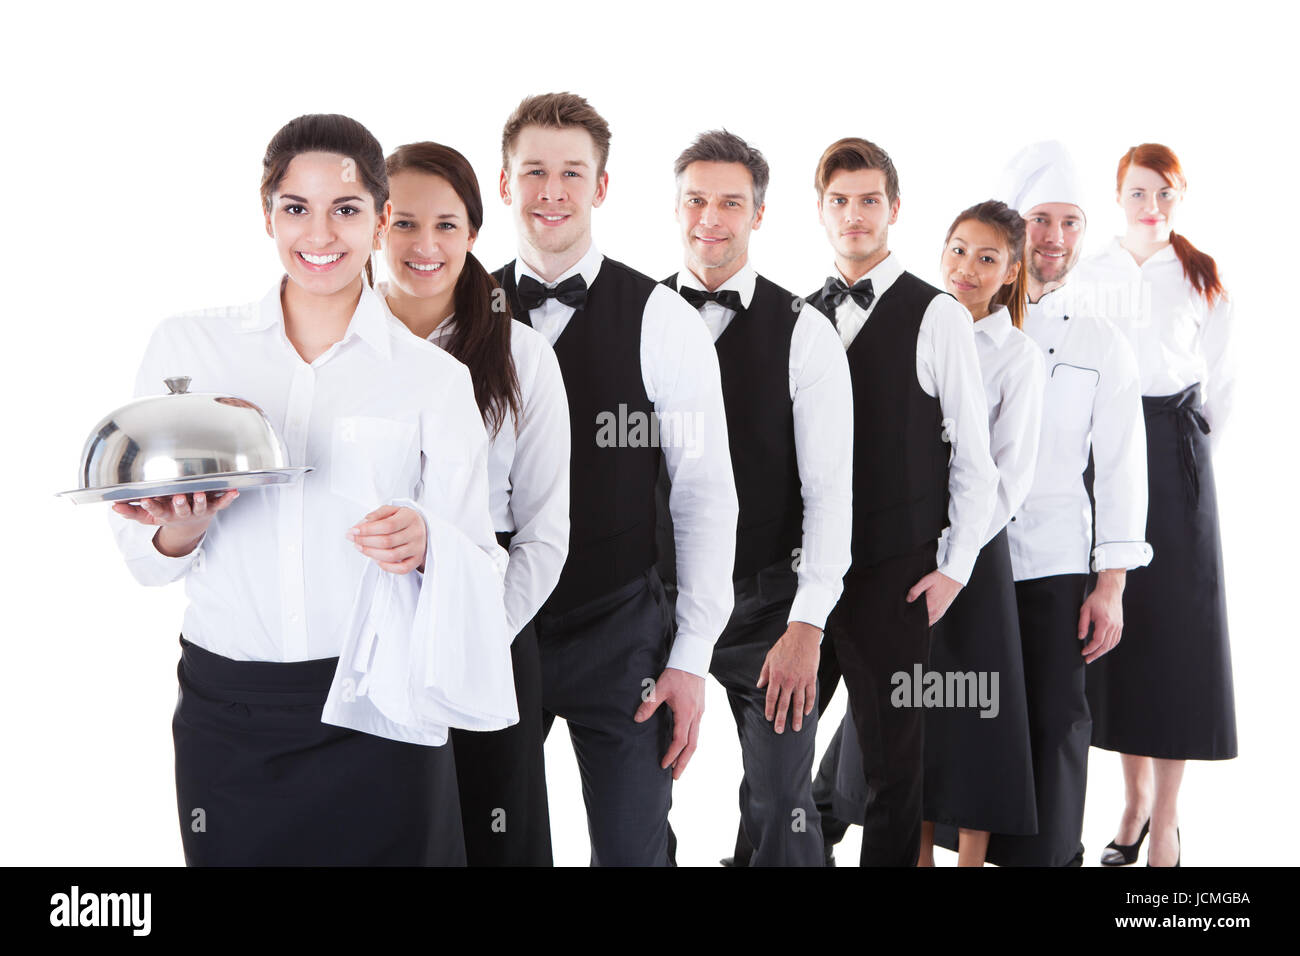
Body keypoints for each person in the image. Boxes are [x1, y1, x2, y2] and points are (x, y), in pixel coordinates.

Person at [110, 114, 515, 866]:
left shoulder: (433, 379)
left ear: (381, 220)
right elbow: (142, 555)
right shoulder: (188, 349)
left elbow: (482, 568)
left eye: (348, 209)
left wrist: (428, 547)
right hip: (227, 717)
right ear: (266, 214)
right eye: (296, 208)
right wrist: (183, 528)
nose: (319, 233)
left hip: (380, 708)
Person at [491, 92, 738, 866]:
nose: (552, 191)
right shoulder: (461, 314)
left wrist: (691, 655)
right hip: (497, 626)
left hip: (621, 630)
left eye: (572, 172)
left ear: (601, 187)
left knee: (634, 851)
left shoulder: (663, 317)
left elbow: (705, 494)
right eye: (534, 171)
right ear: (505, 185)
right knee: (488, 839)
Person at [947, 140, 1152, 867]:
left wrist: (1112, 582)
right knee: (961, 709)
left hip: (1055, 556)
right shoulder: (956, 327)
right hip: (968, 554)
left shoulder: (1102, 340)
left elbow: (1124, 464)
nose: (1055, 237)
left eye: (1070, 222)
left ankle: (1048, 857)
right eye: (1040, 219)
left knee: (1060, 717)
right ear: (1012, 229)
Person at [658, 130, 853, 866]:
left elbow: (832, 492)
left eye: (730, 202)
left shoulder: (805, 331)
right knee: (640, 797)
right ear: (676, 209)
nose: (712, 217)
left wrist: (806, 624)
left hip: (767, 607)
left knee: (779, 799)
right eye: (697, 200)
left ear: (758, 216)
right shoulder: (639, 316)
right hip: (654, 598)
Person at [805, 137, 998, 867]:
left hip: (895, 572)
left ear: (894, 208)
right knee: (777, 755)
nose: (855, 216)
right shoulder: (796, 313)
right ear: (820, 211)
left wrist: (952, 569)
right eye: (840, 201)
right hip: (802, 576)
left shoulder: (937, 313)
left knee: (892, 767)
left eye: (869, 201)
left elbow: (974, 460)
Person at [379, 141, 571, 866]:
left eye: (447, 225)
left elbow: (545, 532)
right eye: (402, 223)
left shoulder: (524, 358)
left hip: (486, 620)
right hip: (362, 622)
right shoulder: (336, 348)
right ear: (374, 228)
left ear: (473, 234)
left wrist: (478, 633)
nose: (425, 246)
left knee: (496, 833)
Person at [1076, 144, 1236, 868]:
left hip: (1176, 456)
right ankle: (1133, 802)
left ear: (1180, 197)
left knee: (1178, 638)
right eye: (1139, 193)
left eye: (1165, 194)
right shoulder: (1091, 272)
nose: (1152, 207)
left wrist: (1185, 453)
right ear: (1118, 196)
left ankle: (1166, 820)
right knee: (1120, 633)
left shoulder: (1201, 276)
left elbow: (1222, 387)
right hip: (1104, 453)